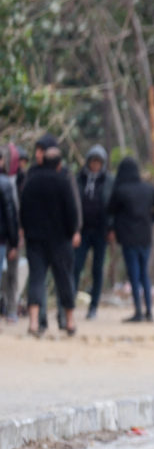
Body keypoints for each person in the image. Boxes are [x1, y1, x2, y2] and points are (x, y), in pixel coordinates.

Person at [19, 141, 80, 336]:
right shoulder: (62, 181)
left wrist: (26, 231)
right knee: (64, 280)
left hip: (35, 240)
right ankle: (70, 322)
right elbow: (71, 211)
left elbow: (23, 210)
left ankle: (34, 324)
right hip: (59, 240)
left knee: (36, 279)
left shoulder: (31, 181)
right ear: (59, 164)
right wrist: (72, 232)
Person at [108, 157, 154, 322]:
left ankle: (138, 311)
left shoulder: (121, 190)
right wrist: (149, 220)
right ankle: (149, 311)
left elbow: (110, 210)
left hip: (128, 237)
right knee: (144, 274)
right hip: (145, 236)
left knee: (134, 274)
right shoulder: (148, 189)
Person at [75, 145, 112, 318]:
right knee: (76, 267)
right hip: (82, 231)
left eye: (99, 162)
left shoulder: (108, 181)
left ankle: (93, 306)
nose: (95, 165)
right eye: (93, 161)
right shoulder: (79, 179)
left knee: (97, 269)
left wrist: (111, 228)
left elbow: (113, 205)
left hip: (100, 232)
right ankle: (70, 303)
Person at [0, 145, 20, 323]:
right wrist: (14, 241)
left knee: (10, 275)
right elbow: (10, 213)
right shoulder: (5, 183)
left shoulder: (16, 179)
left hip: (5, 238)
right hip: (4, 238)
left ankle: (11, 310)